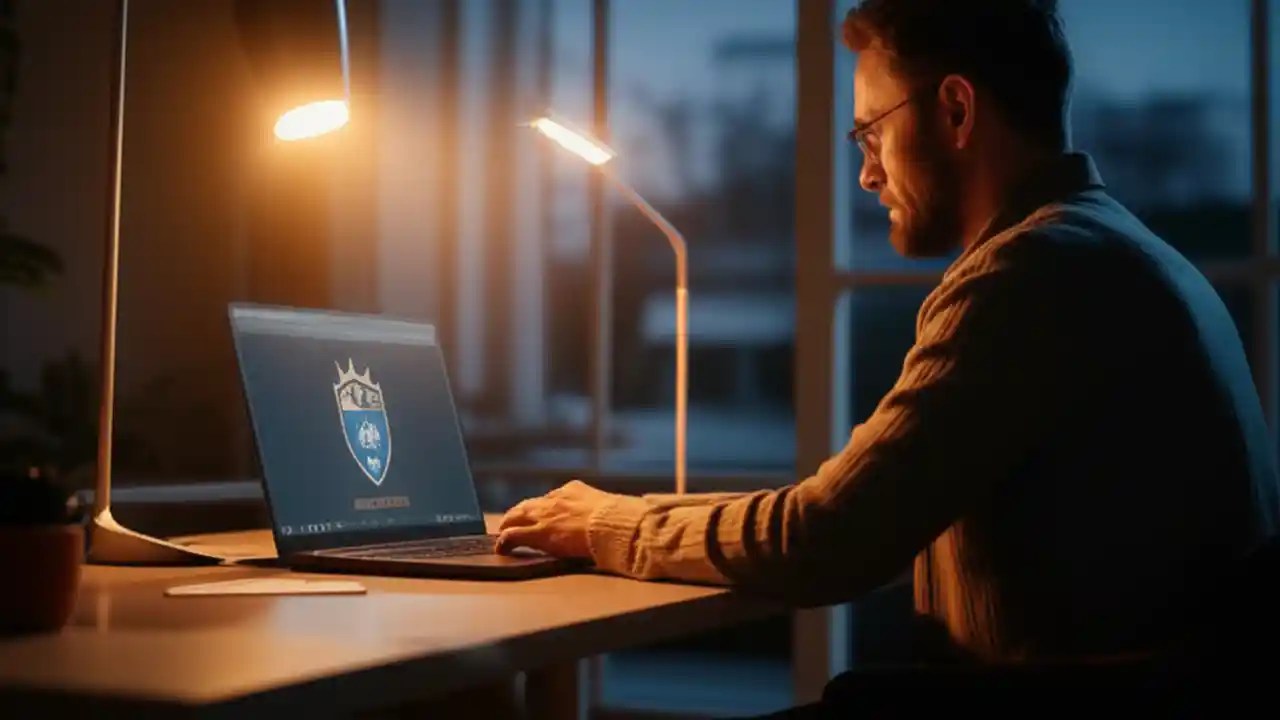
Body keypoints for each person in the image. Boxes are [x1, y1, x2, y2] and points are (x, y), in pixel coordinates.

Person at [499, 0, 1279, 710]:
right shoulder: (1120, 250)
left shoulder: (1026, 278)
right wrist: (622, 515)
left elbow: (825, 540)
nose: (867, 173)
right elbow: (839, 508)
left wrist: (608, 523)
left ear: (955, 110)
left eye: (871, 133)